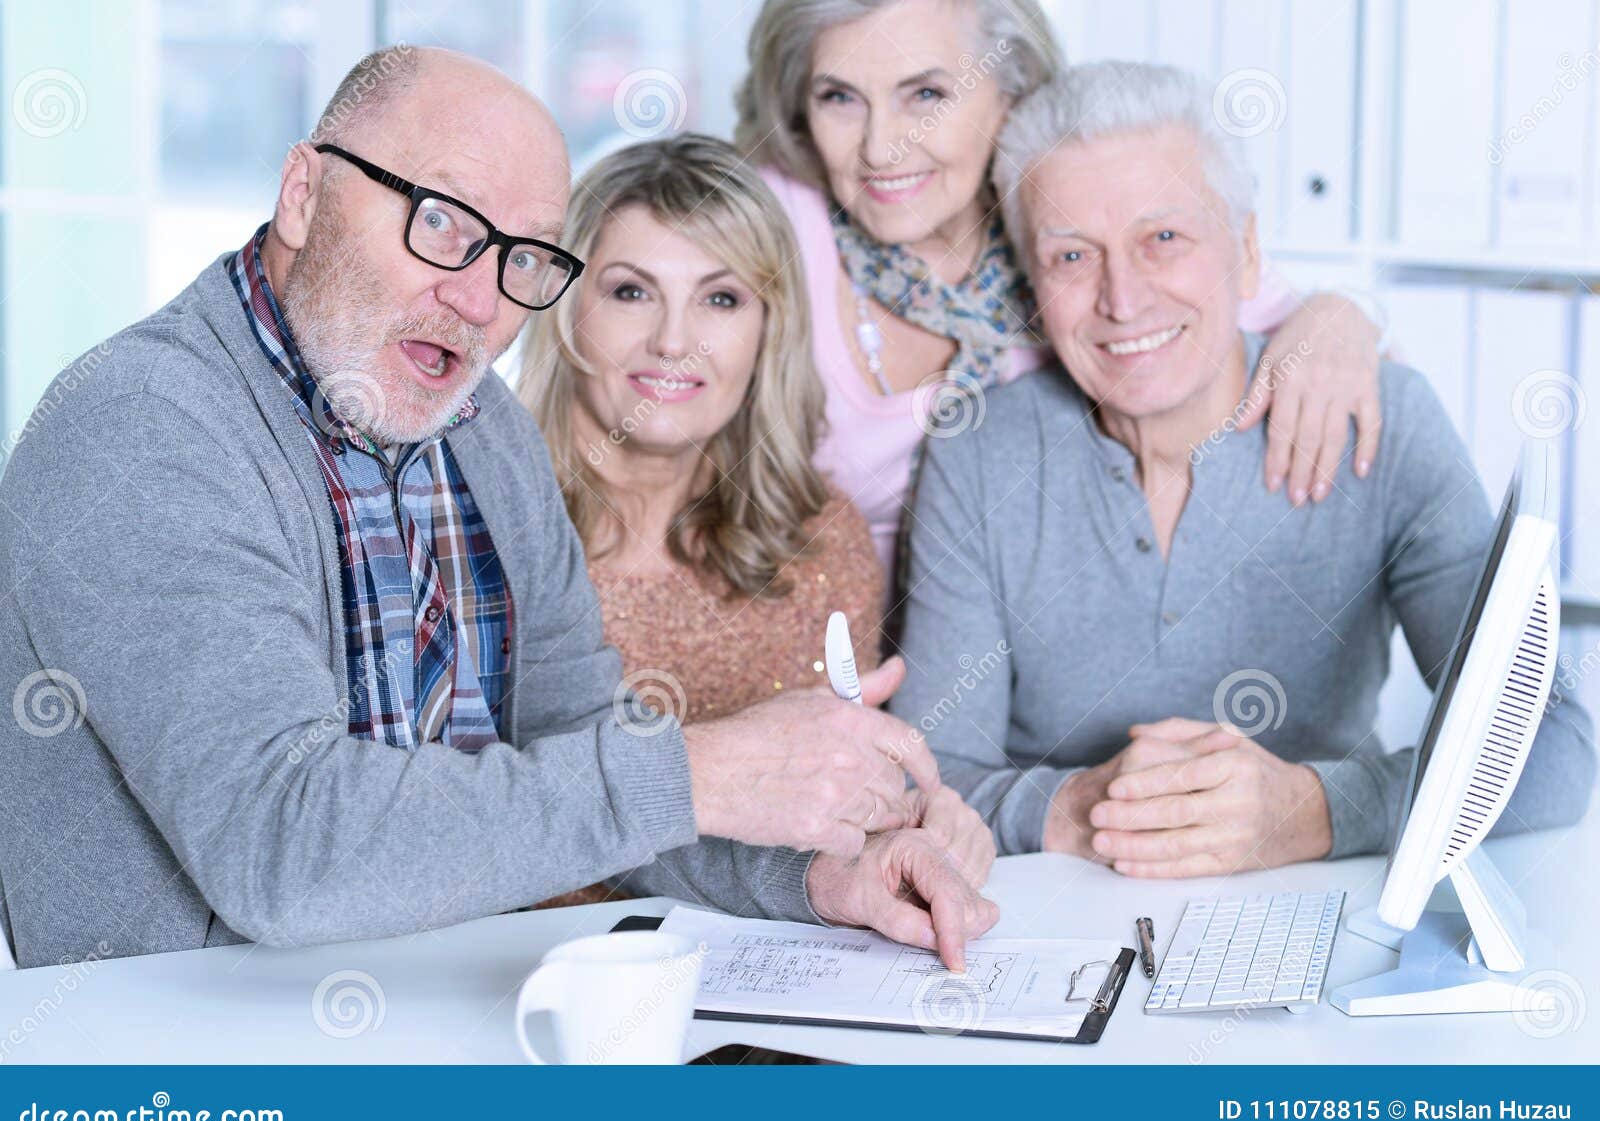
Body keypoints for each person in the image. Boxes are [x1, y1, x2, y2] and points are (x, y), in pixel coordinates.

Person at [0, 47, 996, 971]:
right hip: (194, 1075)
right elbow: (285, 852)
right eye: (442, 223)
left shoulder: (479, 429)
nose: (481, 303)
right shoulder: (141, 428)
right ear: (303, 195)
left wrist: (815, 880)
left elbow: (583, 765)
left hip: (455, 1019)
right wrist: (703, 771)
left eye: (523, 258)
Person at [890, 60, 1596, 874]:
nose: (1124, 299)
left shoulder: (1382, 419)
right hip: (1047, 928)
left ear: (1248, 251)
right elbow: (930, 777)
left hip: (1306, 913)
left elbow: (1552, 750)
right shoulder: (979, 453)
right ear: (1034, 285)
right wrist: (1074, 809)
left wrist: (1314, 809)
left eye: (1164, 239)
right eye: (1073, 257)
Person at [736, 0, 1386, 588]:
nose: (881, 147)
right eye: (839, 98)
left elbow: (1267, 299)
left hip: (1024, 670)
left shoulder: (1082, 233)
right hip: (796, 656)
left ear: (1013, 95)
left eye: (926, 93)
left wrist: (1341, 316)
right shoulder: (769, 222)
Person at [518, 134, 996, 901]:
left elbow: (834, 820)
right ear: (568, 307)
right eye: (630, 292)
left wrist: (915, 823)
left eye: (721, 298)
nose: (674, 340)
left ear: (768, 329)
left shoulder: (815, 540)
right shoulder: (480, 525)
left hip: (757, 966)